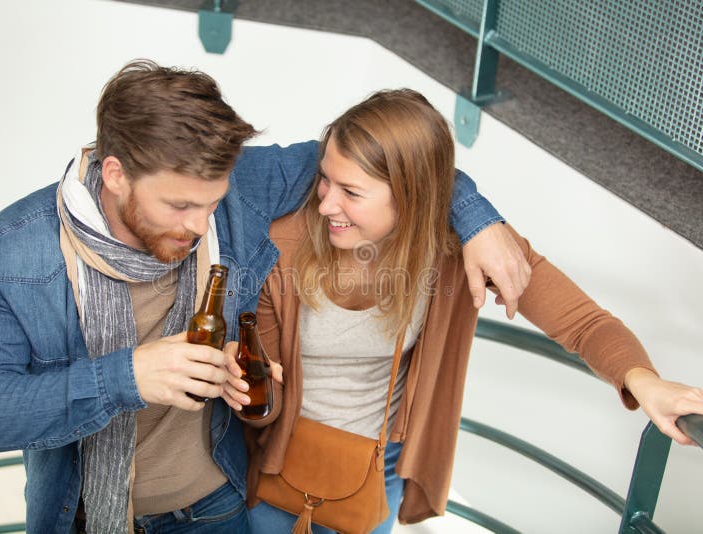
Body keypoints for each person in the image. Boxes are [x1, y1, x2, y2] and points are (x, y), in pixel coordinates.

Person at [0, 60, 530, 534]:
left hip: (216, 506)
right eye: (179, 207)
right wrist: (126, 377)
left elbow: (400, 164)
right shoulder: (6, 256)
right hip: (82, 516)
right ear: (116, 173)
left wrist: (479, 220)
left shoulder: (242, 185)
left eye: (212, 202)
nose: (203, 226)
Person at [240, 88, 703, 533]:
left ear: (410, 193)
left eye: (351, 192)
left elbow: (585, 323)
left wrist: (645, 382)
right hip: (281, 455)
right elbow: (262, 386)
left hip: (381, 466)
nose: (326, 203)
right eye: (325, 178)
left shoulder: (463, 250)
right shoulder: (282, 242)